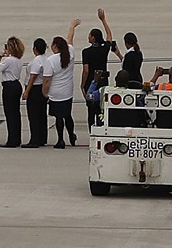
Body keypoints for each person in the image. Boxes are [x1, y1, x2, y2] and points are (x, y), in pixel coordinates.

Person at [48, 20, 80, 148]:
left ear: (55, 47)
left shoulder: (52, 60)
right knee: (67, 115)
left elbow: (47, 79)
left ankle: (60, 140)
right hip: (68, 90)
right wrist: (72, 26)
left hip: (56, 92)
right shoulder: (70, 53)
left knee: (58, 117)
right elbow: (70, 39)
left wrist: (45, 92)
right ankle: (71, 135)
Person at [79, 13, 112, 128]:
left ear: (93, 37)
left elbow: (86, 70)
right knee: (101, 110)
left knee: (90, 110)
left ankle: (91, 132)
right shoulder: (104, 49)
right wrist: (103, 20)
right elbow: (109, 36)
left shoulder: (86, 52)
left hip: (91, 82)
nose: (88, 37)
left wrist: (83, 84)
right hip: (103, 82)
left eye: (89, 35)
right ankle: (101, 129)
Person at [0, 37, 25, 148]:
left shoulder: (8, 60)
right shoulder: (18, 60)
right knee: (16, 113)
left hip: (8, 86)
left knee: (9, 113)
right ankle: (17, 138)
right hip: (16, 85)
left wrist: (0, 57)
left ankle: (12, 139)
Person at [21, 37, 49, 148]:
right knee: (41, 114)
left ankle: (35, 139)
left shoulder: (37, 60)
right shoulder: (45, 59)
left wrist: (27, 91)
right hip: (41, 89)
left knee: (33, 115)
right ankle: (42, 137)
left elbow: (33, 76)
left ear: (35, 48)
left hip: (35, 89)